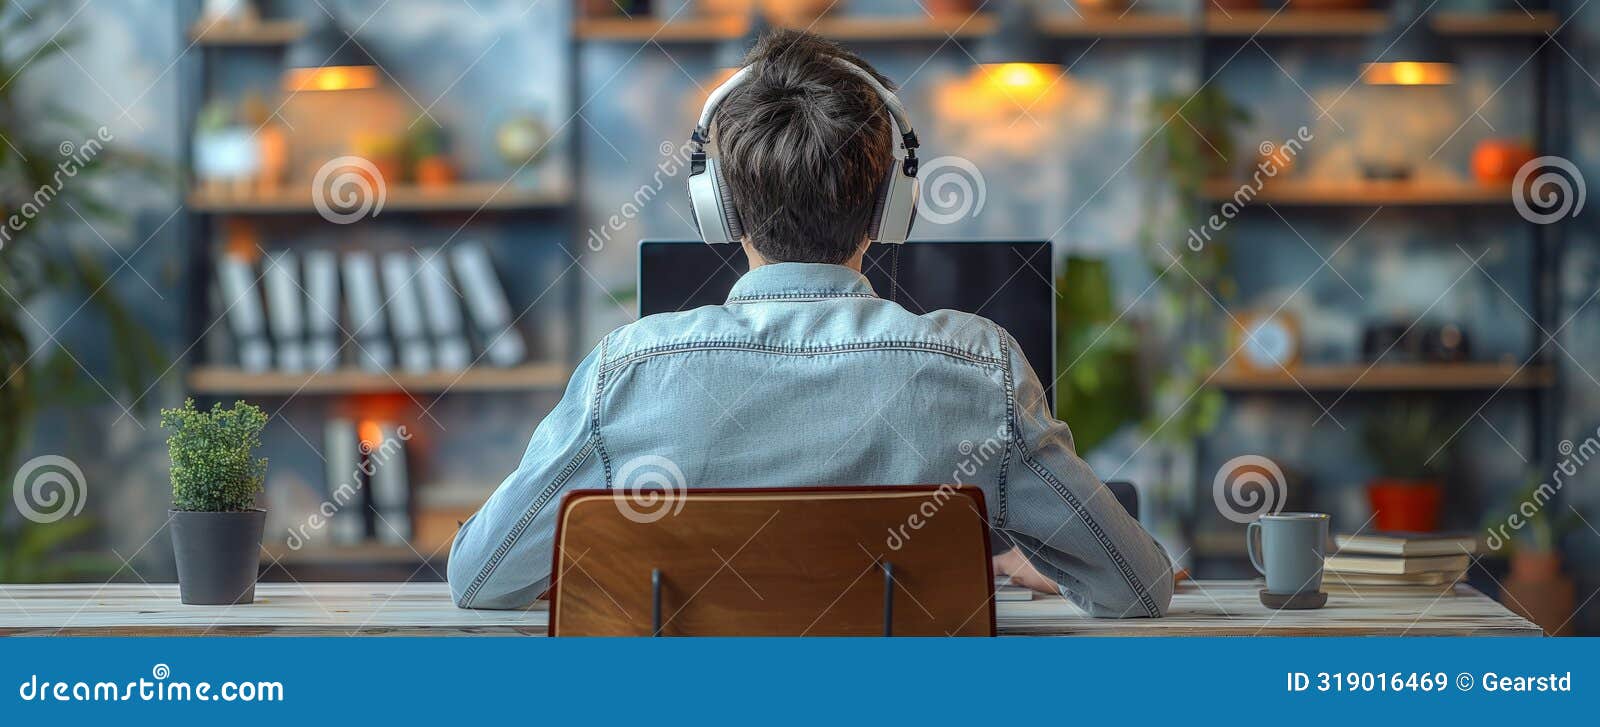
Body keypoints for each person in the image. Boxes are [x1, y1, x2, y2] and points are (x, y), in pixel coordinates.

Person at [448, 29, 1173, 618]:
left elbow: (480, 579)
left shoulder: (627, 374)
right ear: (893, 205)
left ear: (719, 208)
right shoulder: (980, 370)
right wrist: (1016, 549)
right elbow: (1138, 586)